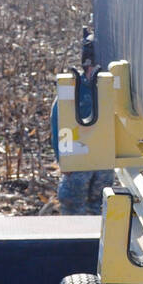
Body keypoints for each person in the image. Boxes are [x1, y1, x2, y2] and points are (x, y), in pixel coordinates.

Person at [50, 30, 114, 214]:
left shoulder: (110, 89)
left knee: (99, 210)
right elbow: (58, 125)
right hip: (78, 163)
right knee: (72, 210)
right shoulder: (71, 89)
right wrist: (64, 160)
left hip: (102, 164)